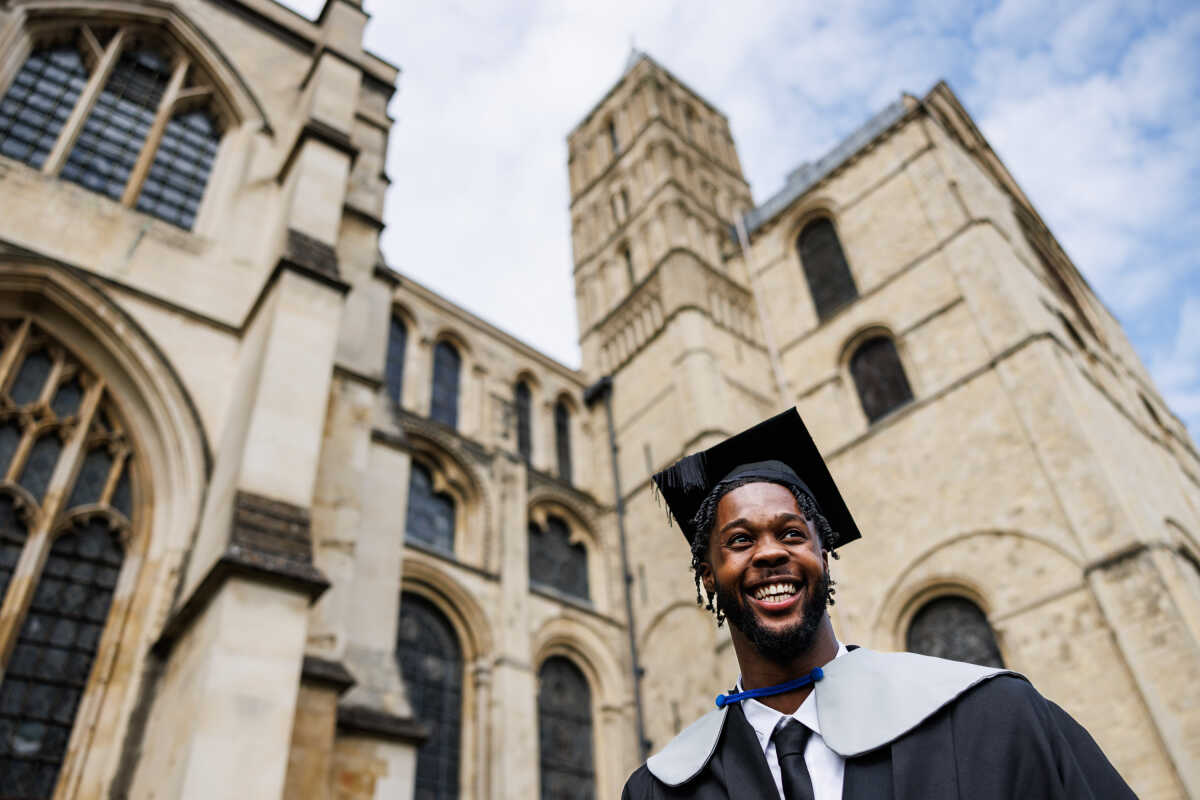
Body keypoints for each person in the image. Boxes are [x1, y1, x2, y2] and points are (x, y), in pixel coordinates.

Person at [622, 409, 1136, 799]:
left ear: (825, 553)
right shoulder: (663, 789)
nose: (771, 552)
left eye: (792, 533)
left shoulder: (995, 717)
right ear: (707, 577)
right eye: (739, 541)